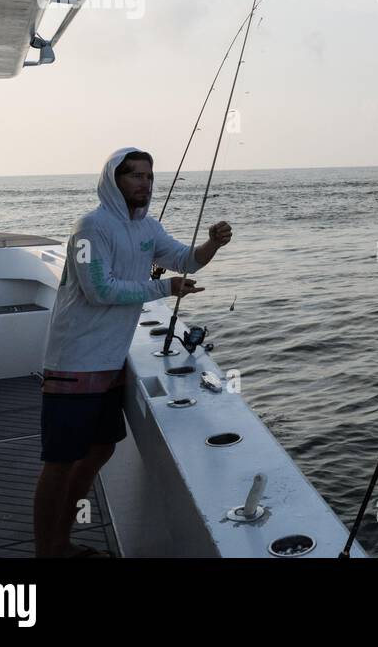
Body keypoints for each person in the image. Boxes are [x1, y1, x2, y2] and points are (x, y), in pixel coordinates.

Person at [32, 147, 232, 557]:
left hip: (110, 362)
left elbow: (184, 260)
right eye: (135, 175)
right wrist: (163, 287)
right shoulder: (91, 227)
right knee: (60, 463)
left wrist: (211, 244)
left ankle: (62, 542)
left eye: (149, 176)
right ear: (113, 180)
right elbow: (99, 289)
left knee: (100, 448)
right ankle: (46, 549)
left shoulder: (147, 228)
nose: (144, 183)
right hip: (73, 362)